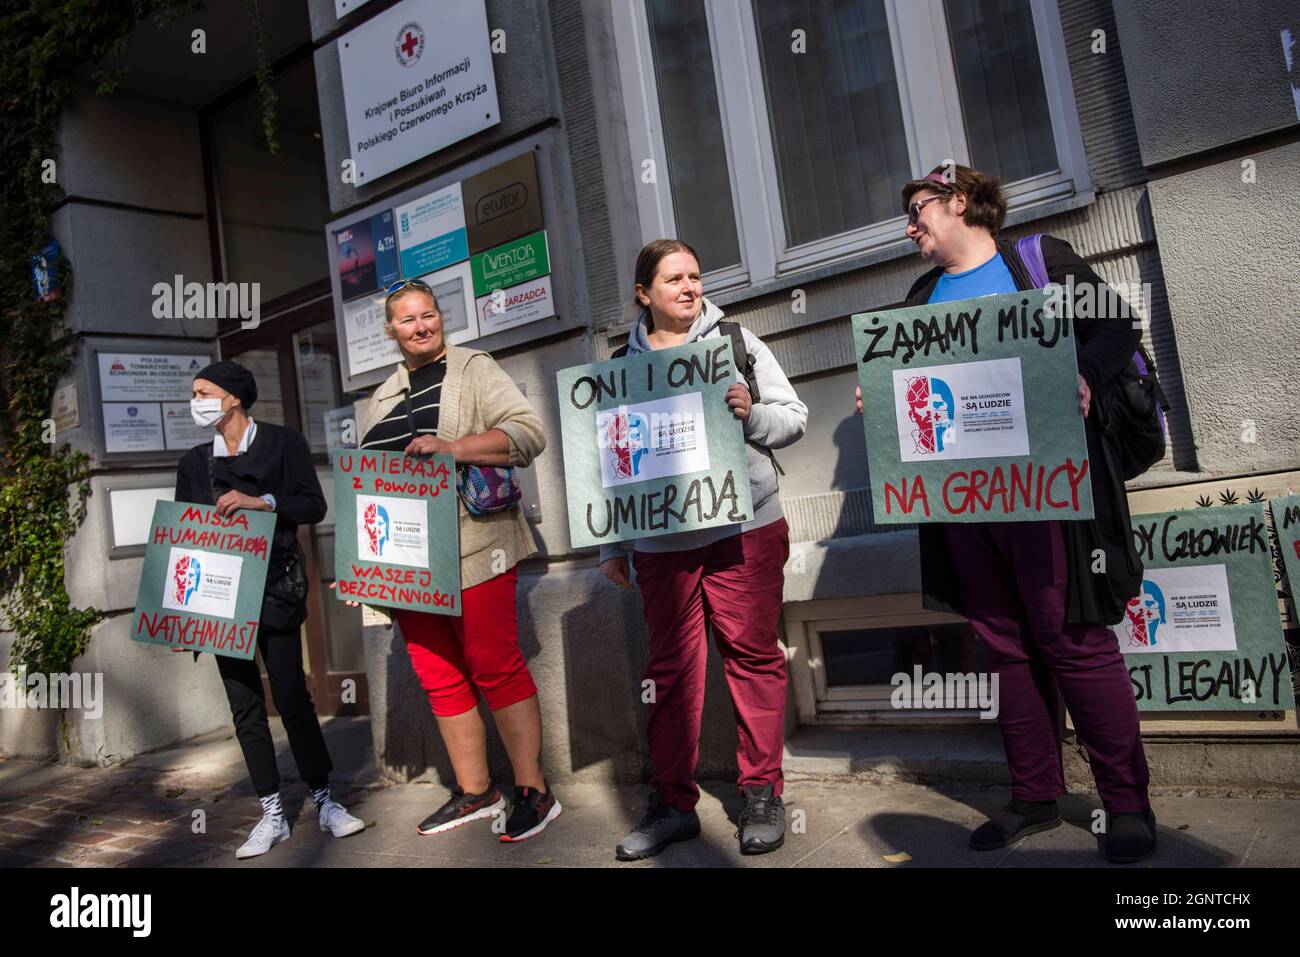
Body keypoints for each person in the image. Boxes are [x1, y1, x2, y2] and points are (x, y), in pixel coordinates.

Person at [855, 164, 1156, 863]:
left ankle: (1126, 804)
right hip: (965, 503)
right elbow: (918, 390)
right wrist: (882, 395)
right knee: (1004, 642)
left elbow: (1118, 326)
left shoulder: (1037, 261)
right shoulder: (921, 295)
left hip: (1048, 493)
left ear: (960, 201)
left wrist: (1082, 373)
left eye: (918, 208)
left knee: (1072, 637)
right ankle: (1033, 795)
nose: (909, 226)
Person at [600, 239, 808, 859]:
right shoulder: (619, 366)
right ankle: (672, 805)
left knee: (753, 658)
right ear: (644, 294)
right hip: (662, 543)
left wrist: (752, 415)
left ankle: (762, 795)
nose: (690, 287)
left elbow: (793, 416)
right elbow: (606, 462)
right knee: (669, 674)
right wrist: (613, 544)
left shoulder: (736, 343)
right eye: (674, 279)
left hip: (745, 530)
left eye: (695, 275)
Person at [348, 277, 560, 842]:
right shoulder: (381, 397)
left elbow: (528, 433)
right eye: (408, 320)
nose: (421, 327)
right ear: (390, 331)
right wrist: (362, 567)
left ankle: (534, 791)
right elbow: (369, 484)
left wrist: (454, 448)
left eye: (429, 315)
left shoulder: (472, 369)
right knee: (437, 673)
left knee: (495, 663)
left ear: (440, 317)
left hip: (475, 543)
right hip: (406, 563)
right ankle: (476, 790)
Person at [175, 360, 365, 860]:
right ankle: (272, 813)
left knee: (292, 695)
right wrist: (182, 615)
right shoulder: (194, 463)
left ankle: (325, 800)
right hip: (220, 599)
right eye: (194, 394)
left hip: (276, 589)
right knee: (244, 706)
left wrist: (263, 501)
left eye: (203, 392)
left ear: (234, 397)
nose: (195, 402)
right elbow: (183, 539)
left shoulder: (284, 443)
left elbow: (313, 506)